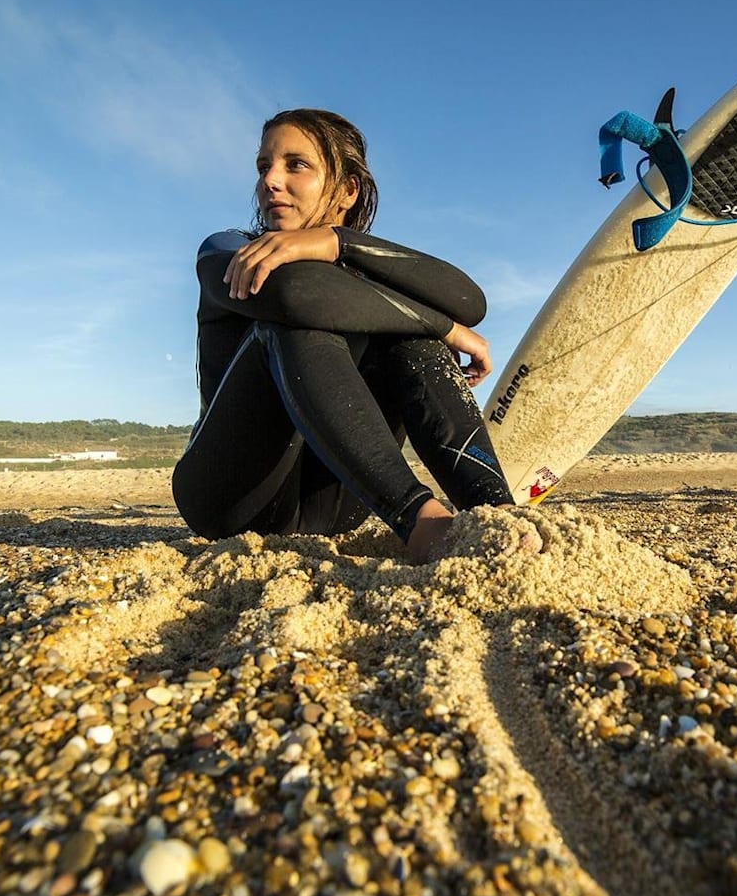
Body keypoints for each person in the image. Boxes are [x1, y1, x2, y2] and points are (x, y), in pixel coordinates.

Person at [172, 109, 515, 561]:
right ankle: (422, 520)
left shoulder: (352, 264)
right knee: (292, 325)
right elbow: (297, 295)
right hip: (228, 497)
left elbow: (471, 301)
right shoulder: (228, 251)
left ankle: (496, 509)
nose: (270, 180)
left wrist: (340, 243)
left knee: (408, 339)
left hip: (335, 507)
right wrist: (446, 328)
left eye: (296, 164)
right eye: (263, 166)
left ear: (347, 190)